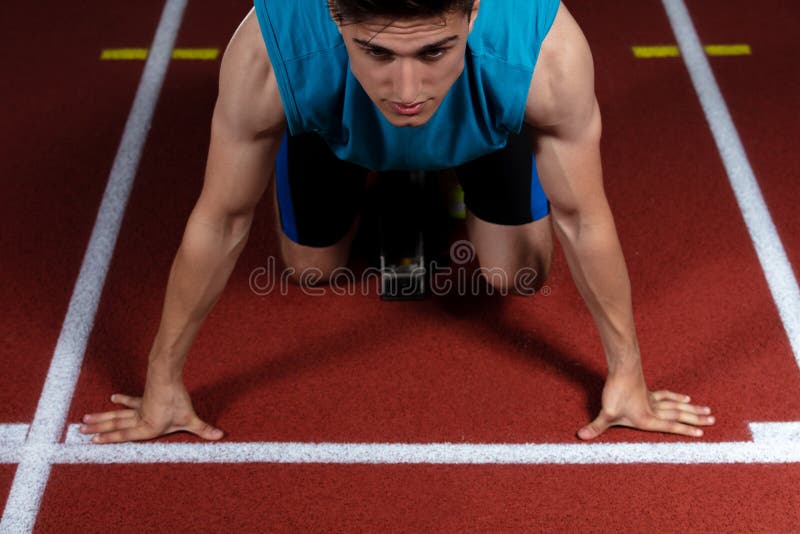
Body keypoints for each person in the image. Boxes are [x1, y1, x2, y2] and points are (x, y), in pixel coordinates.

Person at [80, 0, 715, 443]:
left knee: (517, 273)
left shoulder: (544, 49)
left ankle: (447, 160)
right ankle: (350, 145)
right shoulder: (271, 52)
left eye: (435, 51)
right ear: (335, 15)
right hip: (334, 128)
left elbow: (583, 218)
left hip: (484, 121)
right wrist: (162, 380)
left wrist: (627, 376)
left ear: (474, 13)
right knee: (310, 271)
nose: (407, 89)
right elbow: (221, 219)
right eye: (377, 52)